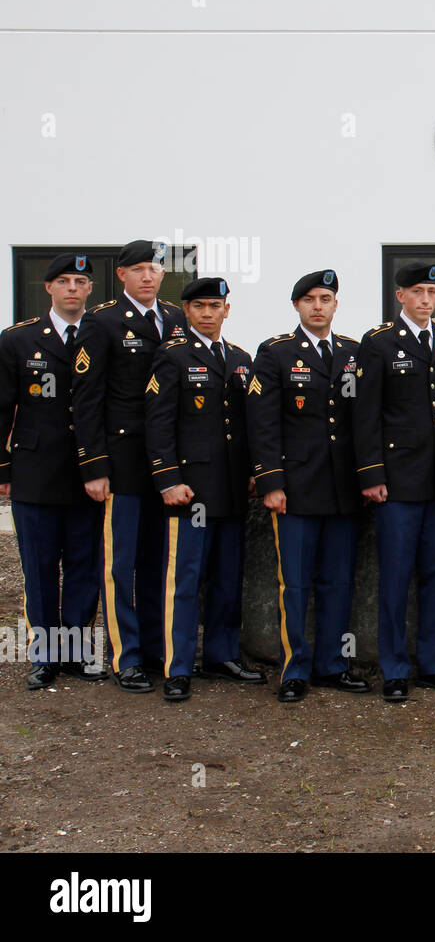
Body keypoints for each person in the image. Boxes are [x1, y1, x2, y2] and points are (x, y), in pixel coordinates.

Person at [72, 239, 189, 693]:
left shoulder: (177, 320)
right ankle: (128, 655)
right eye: (138, 269)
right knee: (120, 563)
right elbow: (86, 399)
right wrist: (93, 465)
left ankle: (161, 648)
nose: (147, 276)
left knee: (161, 560)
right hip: (121, 462)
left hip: (169, 464)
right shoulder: (101, 322)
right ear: (121, 275)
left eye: (154, 269)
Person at [247, 270, 369, 703]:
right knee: (294, 584)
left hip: (343, 491)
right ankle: (294, 669)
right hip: (295, 490)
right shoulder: (276, 353)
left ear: (336, 306)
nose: (319, 306)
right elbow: (262, 424)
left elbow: (363, 421)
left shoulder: (355, 353)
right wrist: (271, 483)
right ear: (297, 306)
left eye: (327, 298)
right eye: (310, 299)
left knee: (338, 582)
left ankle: (333, 665)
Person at [145, 276, 265, 702]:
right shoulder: (172, 358)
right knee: (185, 579)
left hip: (232, 489)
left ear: (227, 310)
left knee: (227, 578)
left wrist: (256, 471)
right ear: (187, 312)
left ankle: (221, 655)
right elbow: (158, 423)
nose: (209, 313)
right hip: (190, 491)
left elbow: (250, 424)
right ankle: (177, 666)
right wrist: (168, 479)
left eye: (216, 306)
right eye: (200, 307)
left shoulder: (240, 358)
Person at [354, 262, 435, 703]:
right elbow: (366, 415)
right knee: (396, 577)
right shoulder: (379, 342)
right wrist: (371, 474)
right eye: (418, 291)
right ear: (399, 295)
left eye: (432, 292)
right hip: (397, 482)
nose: (426, 300)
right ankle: (395, 669)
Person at [0, 254, 106, 688]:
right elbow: (2, 408)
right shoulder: (17, 340)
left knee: (84, 565)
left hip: (89, 471)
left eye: (80, 281)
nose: (72, 289)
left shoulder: (103, 335)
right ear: (48, 288)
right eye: (63, 281)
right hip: (35, 471)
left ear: (91, 290)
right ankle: (44, 656)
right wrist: (2, 468)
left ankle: (78, 653)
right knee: (40, 567)